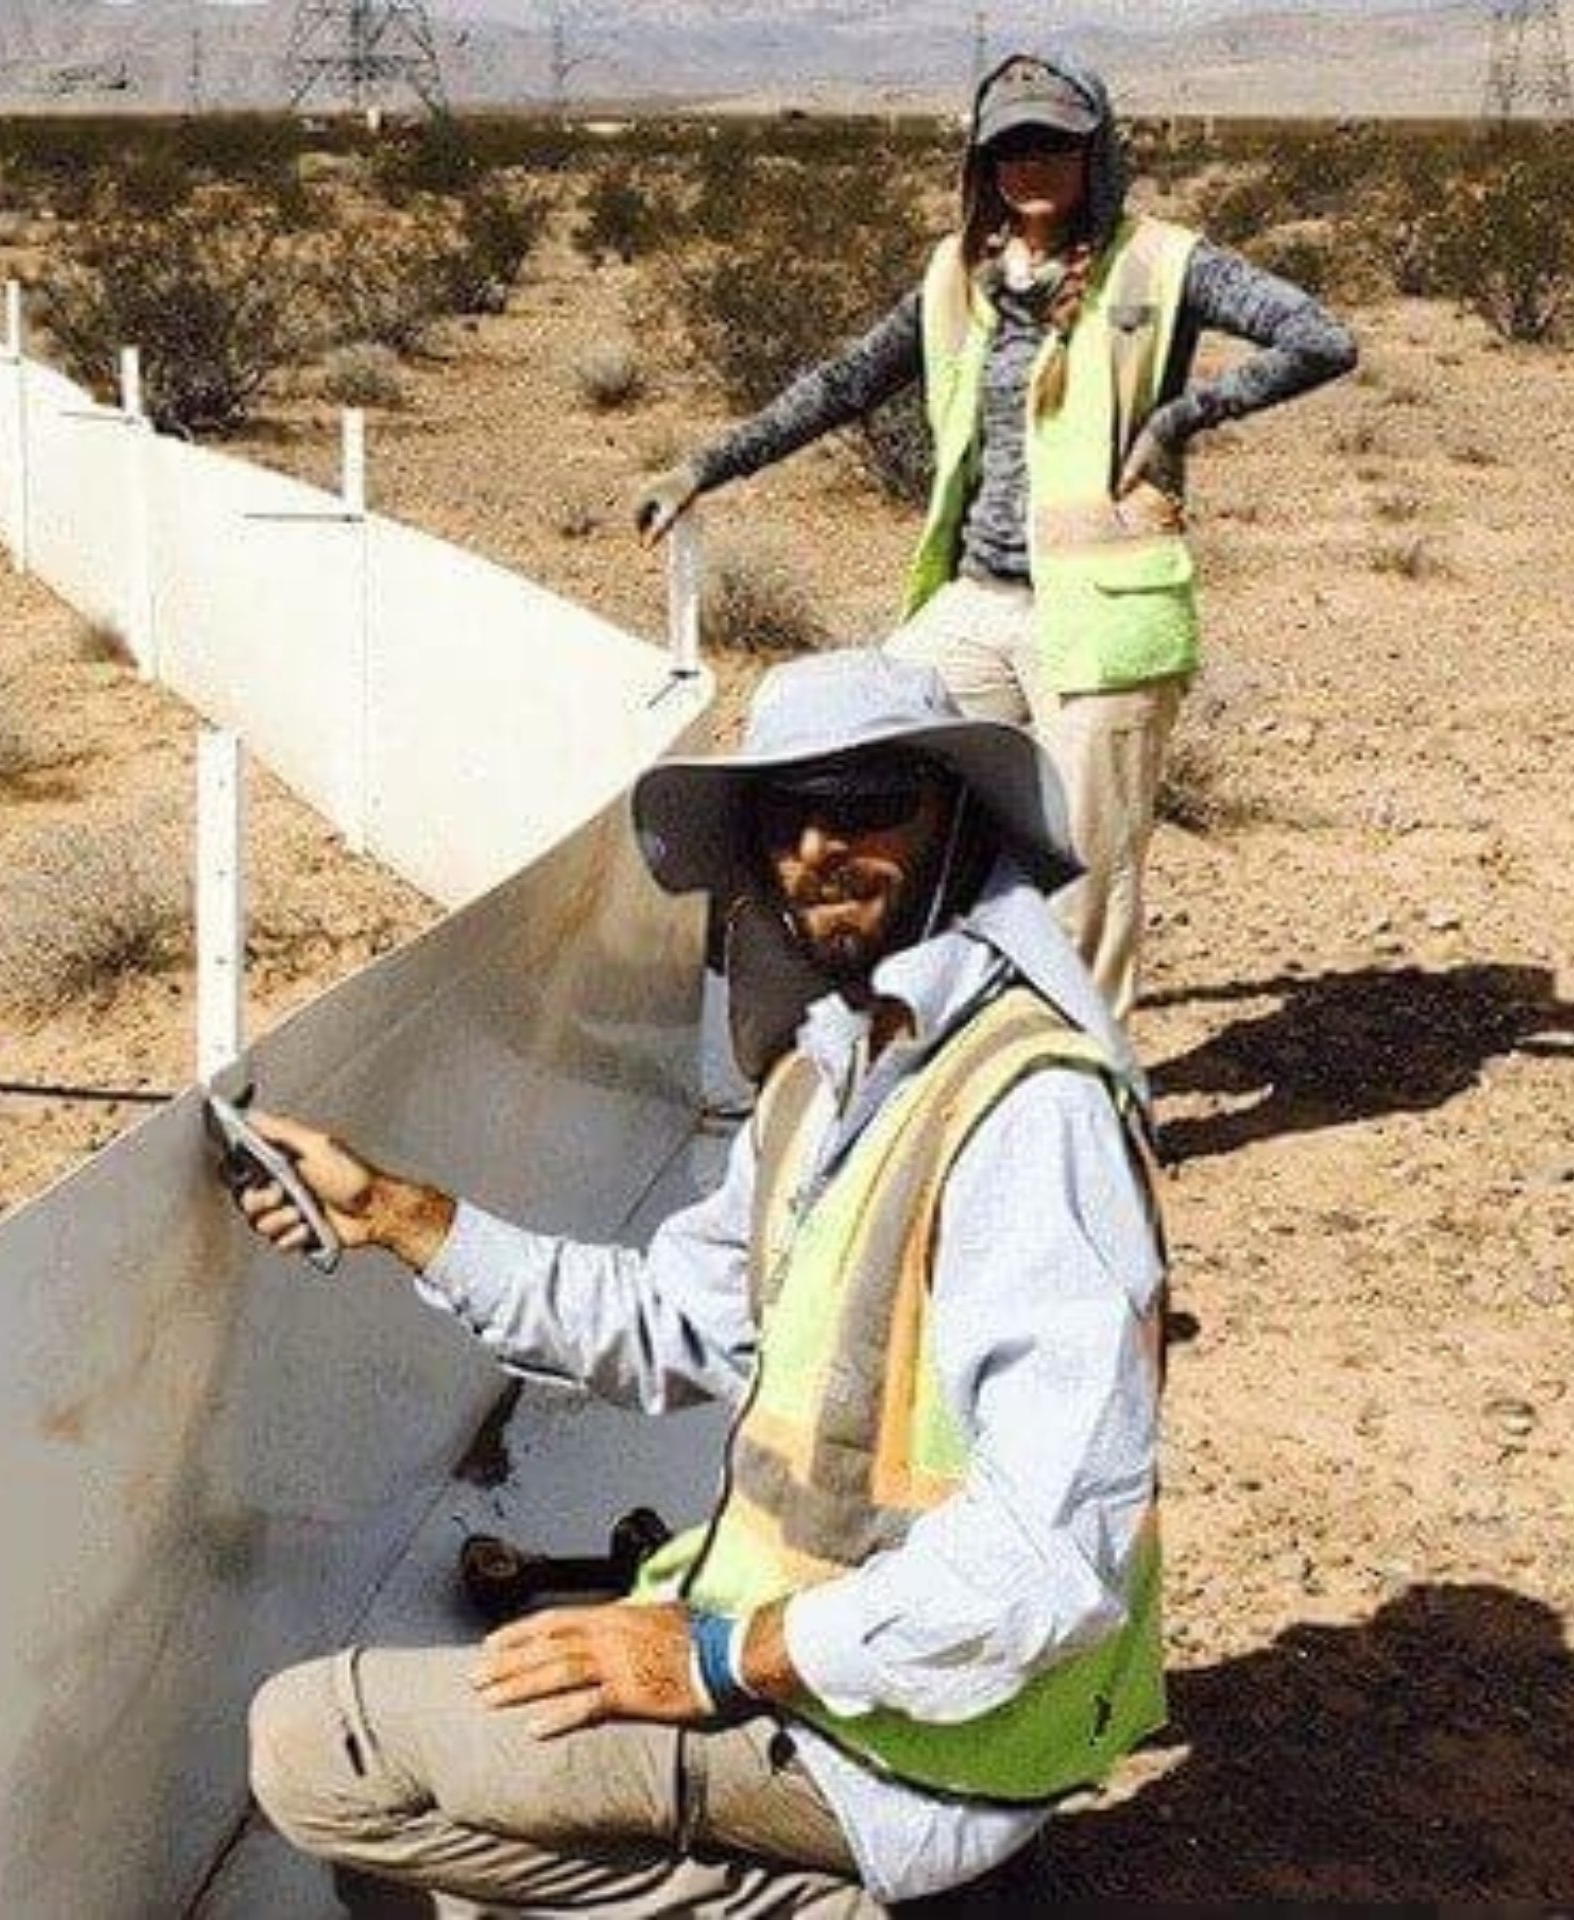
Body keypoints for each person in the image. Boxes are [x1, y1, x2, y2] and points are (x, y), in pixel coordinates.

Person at [241, 650, 1169, 1914]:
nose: (815, 847)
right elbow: (669, 1321)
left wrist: (728, 1658)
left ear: (956, 815)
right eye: (782, 815)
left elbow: (1057, 1559)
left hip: (896, 1740)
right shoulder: (837, 1072)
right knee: (473, 1849)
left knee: (322, 1747)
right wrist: (400, 1216)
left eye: (864, 802)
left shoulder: (1028, 1112)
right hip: (830, 1673)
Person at [637, 53, 1359, 1020]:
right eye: (1009, 144)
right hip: (975, 604)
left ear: (1095, 151)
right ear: (980, 160)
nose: (1030, 163)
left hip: (1104, 621)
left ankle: (1088, 1097)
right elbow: (841, 384)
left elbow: (1320, 336)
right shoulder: (958, 276)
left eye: (1053, 142)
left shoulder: (1160, 262)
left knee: (1089, 874)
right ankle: (897, 1028)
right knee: (863, 772)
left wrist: (1185, 415)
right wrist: (703, 467)